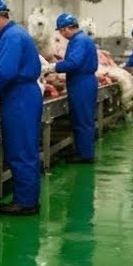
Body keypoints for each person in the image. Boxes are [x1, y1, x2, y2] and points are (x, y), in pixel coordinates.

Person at [0, 0, 45, 216]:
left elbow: (5, 72)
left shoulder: (11, 37)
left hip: (19, 97)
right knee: (25, 149)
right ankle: (27, 198)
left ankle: (25, 203)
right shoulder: (14, 34)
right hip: (21, 94)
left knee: (21, 150)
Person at [53, 13, 98, 163]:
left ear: (67, 29)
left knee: (82, 120)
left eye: (61, 30)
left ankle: (85, 156)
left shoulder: (79, 41)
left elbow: (74, 63)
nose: (61, 33)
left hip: (81, 83)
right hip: (81, 82)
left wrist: (54, 67)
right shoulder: (81, 39)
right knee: (81, 119)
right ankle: (82, 151)